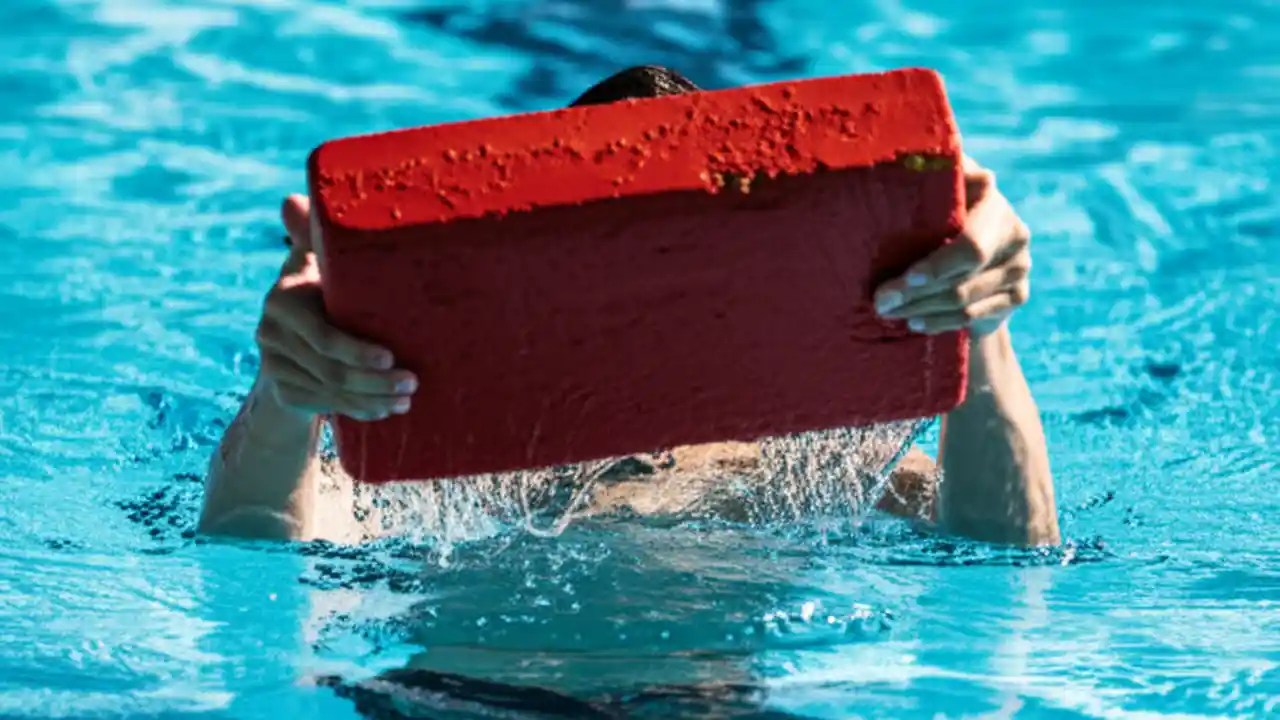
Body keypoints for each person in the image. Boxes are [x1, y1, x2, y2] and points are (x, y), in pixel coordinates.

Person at [198, 66, 1058, 547]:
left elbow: (1008, 547)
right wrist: (288, 397)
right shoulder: (457, 468)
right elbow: (252, 541)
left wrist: (981, 331)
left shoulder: (801, 469)